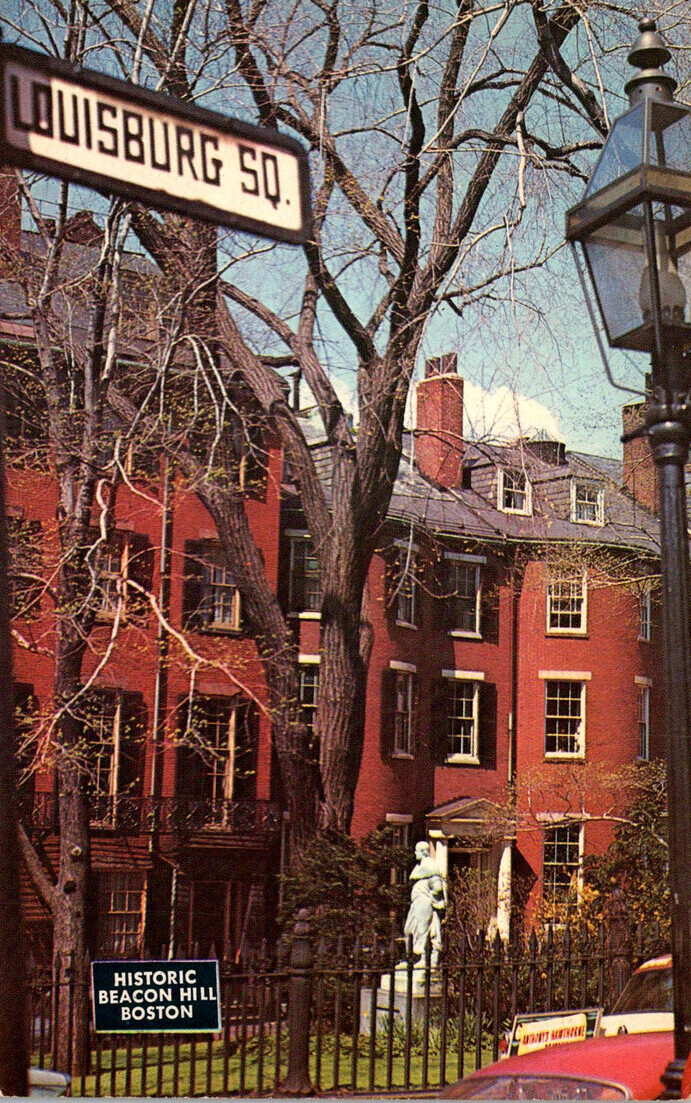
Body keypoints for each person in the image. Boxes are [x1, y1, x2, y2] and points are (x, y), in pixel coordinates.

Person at [403, 840, 445, 967]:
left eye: (416, 850)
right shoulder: (420, 866)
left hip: (424, 902)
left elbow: (437, 886)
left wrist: (431, 898)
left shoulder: (430, 867)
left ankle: (423, 958)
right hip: (416, 902)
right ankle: (412, 956)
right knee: (409, 929)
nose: (415, 853)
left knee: (422, 929)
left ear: (423, 852)